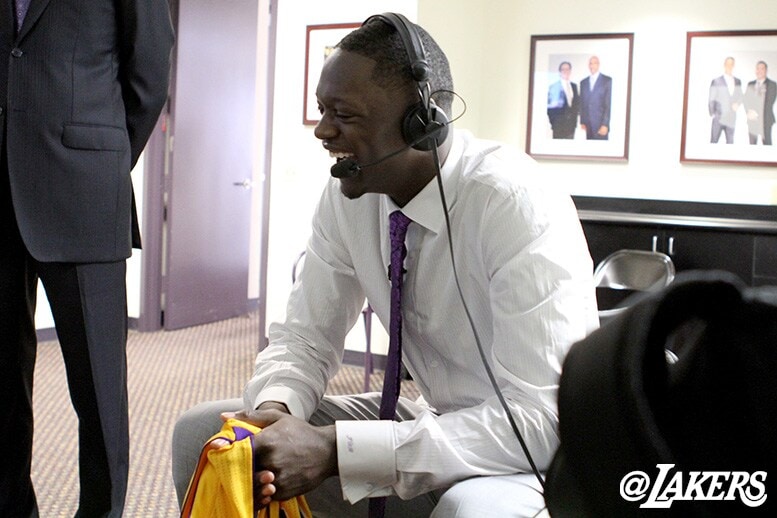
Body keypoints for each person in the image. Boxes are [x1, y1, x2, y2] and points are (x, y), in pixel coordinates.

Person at [172, 13, 598, 517]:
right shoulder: (347, 196)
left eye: (344, 115)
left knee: (471, 509)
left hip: (532, 457)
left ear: (423, 123)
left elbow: (543, 421)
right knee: (207, 437)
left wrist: (338, 451)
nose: (322, 130)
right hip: (437, 421)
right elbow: (305, 338)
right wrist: (275, 411)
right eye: (322, 110)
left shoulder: (514, 204)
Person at [0, 2, 174, 516]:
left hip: (85, 193)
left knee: (98, 392)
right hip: (1, 190)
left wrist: (104, 160)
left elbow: (149, 74)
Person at [708, 56, 744, 144]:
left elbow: (740, 96)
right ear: (724, 65)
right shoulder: (716, 81)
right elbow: (711, 98)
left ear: (734, 66)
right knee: (714, 141)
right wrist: (713, 114)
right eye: (728, 64)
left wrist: (737, 104)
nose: (729, 66)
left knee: (730, 143)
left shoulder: (738, 81)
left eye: (731, 64)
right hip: (718, 117)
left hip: (731, 117)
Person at [578, 56, 612, 140]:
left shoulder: (607, 81)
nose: (592, 66)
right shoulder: (583, 82)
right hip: (588, 125)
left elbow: (608, 104)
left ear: (599, 65)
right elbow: (582, 103)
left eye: (595, 63)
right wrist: (582, 121)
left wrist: (605, 124)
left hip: (601, 124)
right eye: (590, 63)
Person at [743, 60, 777, 145]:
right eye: (757, 68)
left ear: (766, 70)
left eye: (762, 69)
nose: (759, 71)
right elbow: (746, 100)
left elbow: (770, 102)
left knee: (767, 144)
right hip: (752, 119)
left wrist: (757, 113)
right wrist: (749, 112)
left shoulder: (772, 85)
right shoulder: (750, 84)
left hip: (765, 120)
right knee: (752, 145)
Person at [547, 61, 579, 139]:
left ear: (570, 71)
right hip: (558, 126)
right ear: (560, 72)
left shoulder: (574, 86)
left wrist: (574, 121)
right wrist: (554, 123)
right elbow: (550, 108)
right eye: (563, 69)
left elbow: (576, 105)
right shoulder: (554, 87)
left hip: (571, 126)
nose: (565, 71)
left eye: (567, 69)